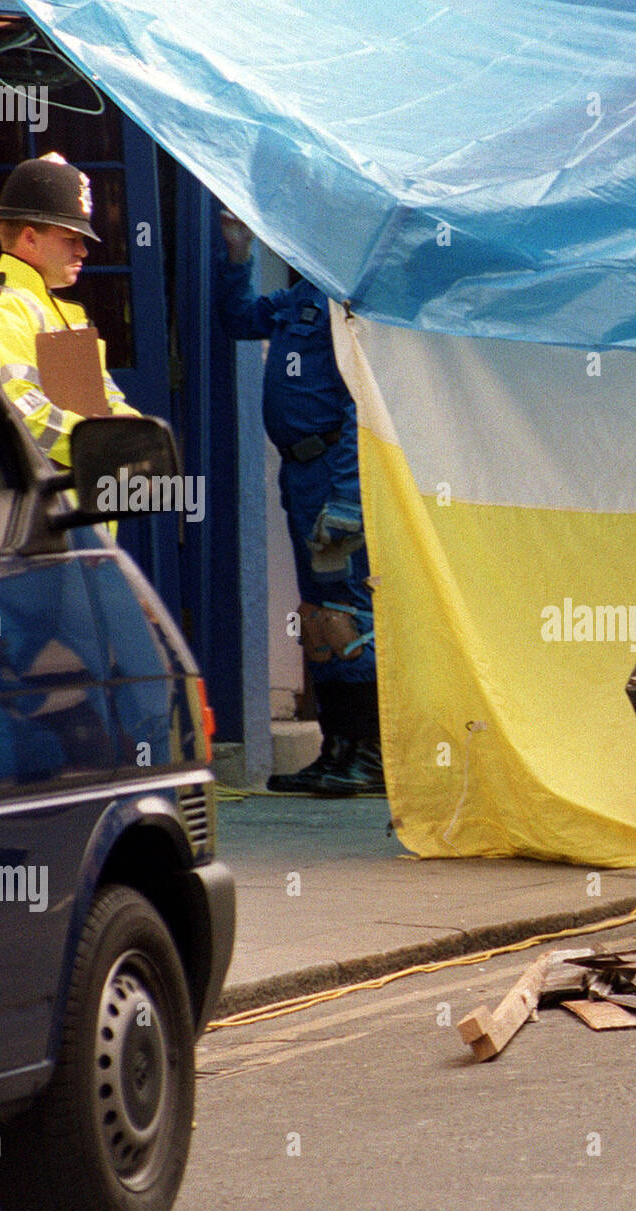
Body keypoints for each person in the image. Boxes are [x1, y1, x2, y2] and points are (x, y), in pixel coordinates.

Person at [216, 212, 384, 796]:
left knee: (346, 615)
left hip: (335, 476)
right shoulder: (301, 297)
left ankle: (370, 755)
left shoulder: (346, 302)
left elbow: (360, 406)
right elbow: (239, 319)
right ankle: (334, 748)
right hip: (301, 473)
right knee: (317, 615)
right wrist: (236, 257)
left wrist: (346, 499)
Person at [0, 153, 138, 468]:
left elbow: (107, 401)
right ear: (29, 238)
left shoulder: (55, 311)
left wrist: (136, 438)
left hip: (64, 513)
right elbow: (20, 412)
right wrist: (110, 448)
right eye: (71, 238)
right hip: (19, 515)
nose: (82, 250)